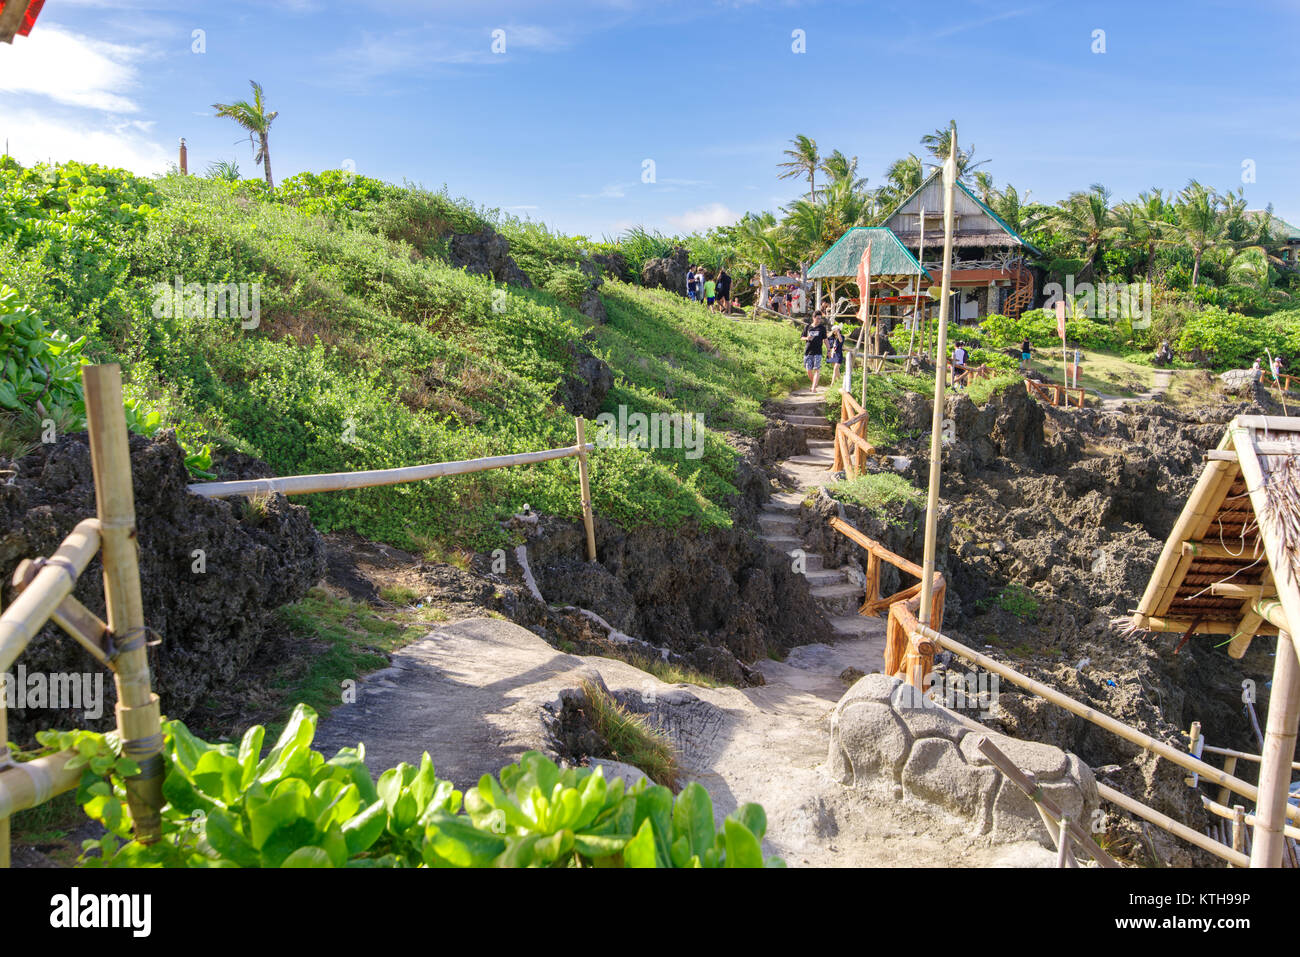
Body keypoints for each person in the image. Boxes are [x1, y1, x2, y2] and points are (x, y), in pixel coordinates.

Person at [802, 313, 828, 392]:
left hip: (818, 352)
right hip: (808, 351)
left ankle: (813, 388)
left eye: (820, 319)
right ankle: (815, 384)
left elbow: (825, 340)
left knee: (817, 369)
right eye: (817, 318)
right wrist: (807, 338)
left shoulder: (822, 328)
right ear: (813, 318)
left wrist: (829, 350)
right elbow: (802, 337)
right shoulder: (808, 327)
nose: (819, 320)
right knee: (808, 371)